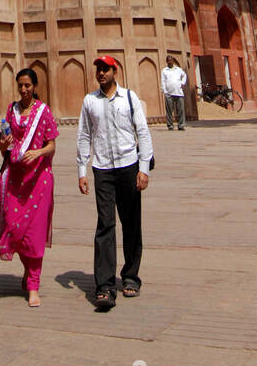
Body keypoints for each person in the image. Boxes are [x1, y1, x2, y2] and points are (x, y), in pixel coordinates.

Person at [77, 55, 153, 310]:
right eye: (98, 69)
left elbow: (142, 131)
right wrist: (81, 169)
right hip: (103, 169)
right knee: (105, 226)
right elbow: (84, 135)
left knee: (131, 224)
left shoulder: (129, 98)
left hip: (129, 167)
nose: (101, 73)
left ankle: (130, 277)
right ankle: (105, 286)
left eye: (105, 69)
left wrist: (144, 168)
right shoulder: (89, 101)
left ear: (114, 71)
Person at [0, 67, 58, 308]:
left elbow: (51, 145)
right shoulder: (12, 110)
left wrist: (38, 152)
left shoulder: (44, 111)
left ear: (35, 87)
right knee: (15, 230)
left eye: (28, 85)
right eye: (20, 85)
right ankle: (28, 273)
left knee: (35, 233)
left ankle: (33, 285)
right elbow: (4, 147)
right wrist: (3, 145)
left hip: (38, 179)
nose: (24, 89)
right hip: (16, 178)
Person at [161, 54, 188, 130]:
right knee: (169, 110)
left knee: (180, 110)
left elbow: (184, 75)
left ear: (173, 61)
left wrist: (182, 83)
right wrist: (164, 90)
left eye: (171, 60)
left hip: (178, 92)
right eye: (168, 60)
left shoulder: (178, 69)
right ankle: (170, 125)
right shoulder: (164, 71)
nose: (170, 62)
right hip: (169, 93)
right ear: (166, 61)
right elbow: (163, 81)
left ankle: (181, 125)